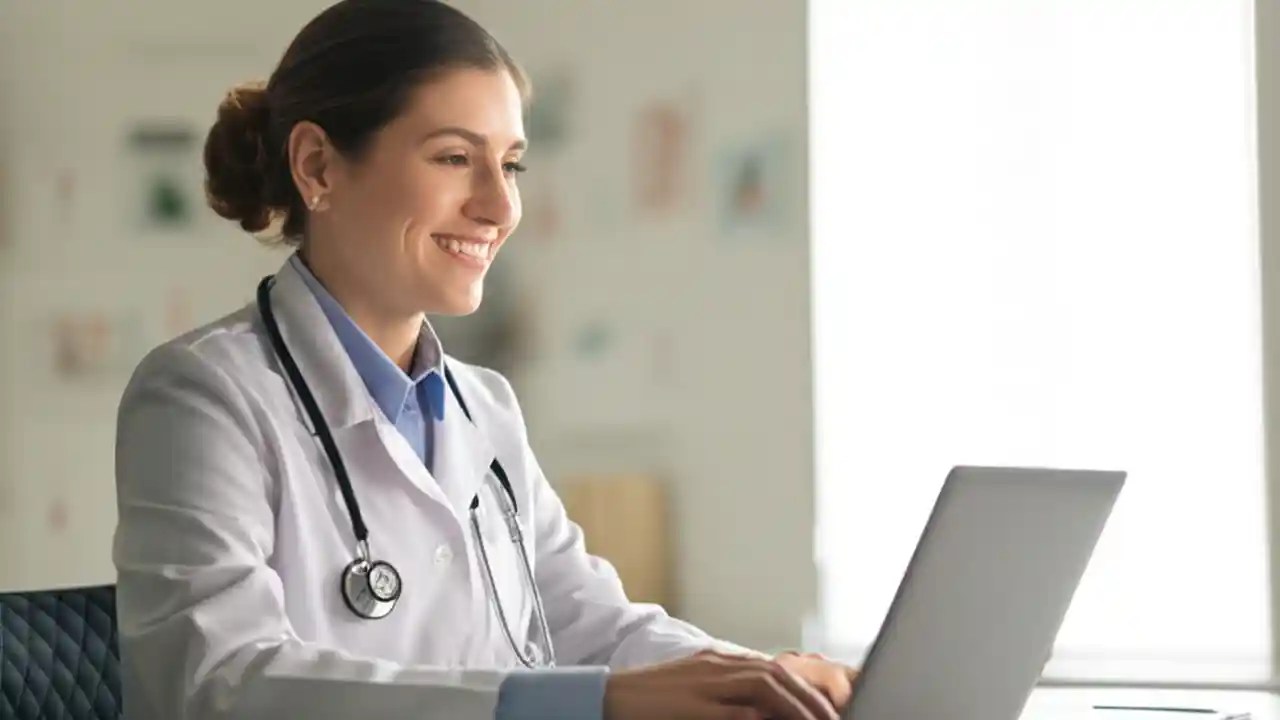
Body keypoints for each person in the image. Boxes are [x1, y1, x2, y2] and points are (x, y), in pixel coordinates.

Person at [111, 1, 857, 718]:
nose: (500, 207)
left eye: (512, 165)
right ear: (318, 167)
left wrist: (760, 682)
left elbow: (587, 618)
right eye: (455, 157)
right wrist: (588, 703)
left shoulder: (483, 405)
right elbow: (215, 684)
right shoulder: (205, 394)